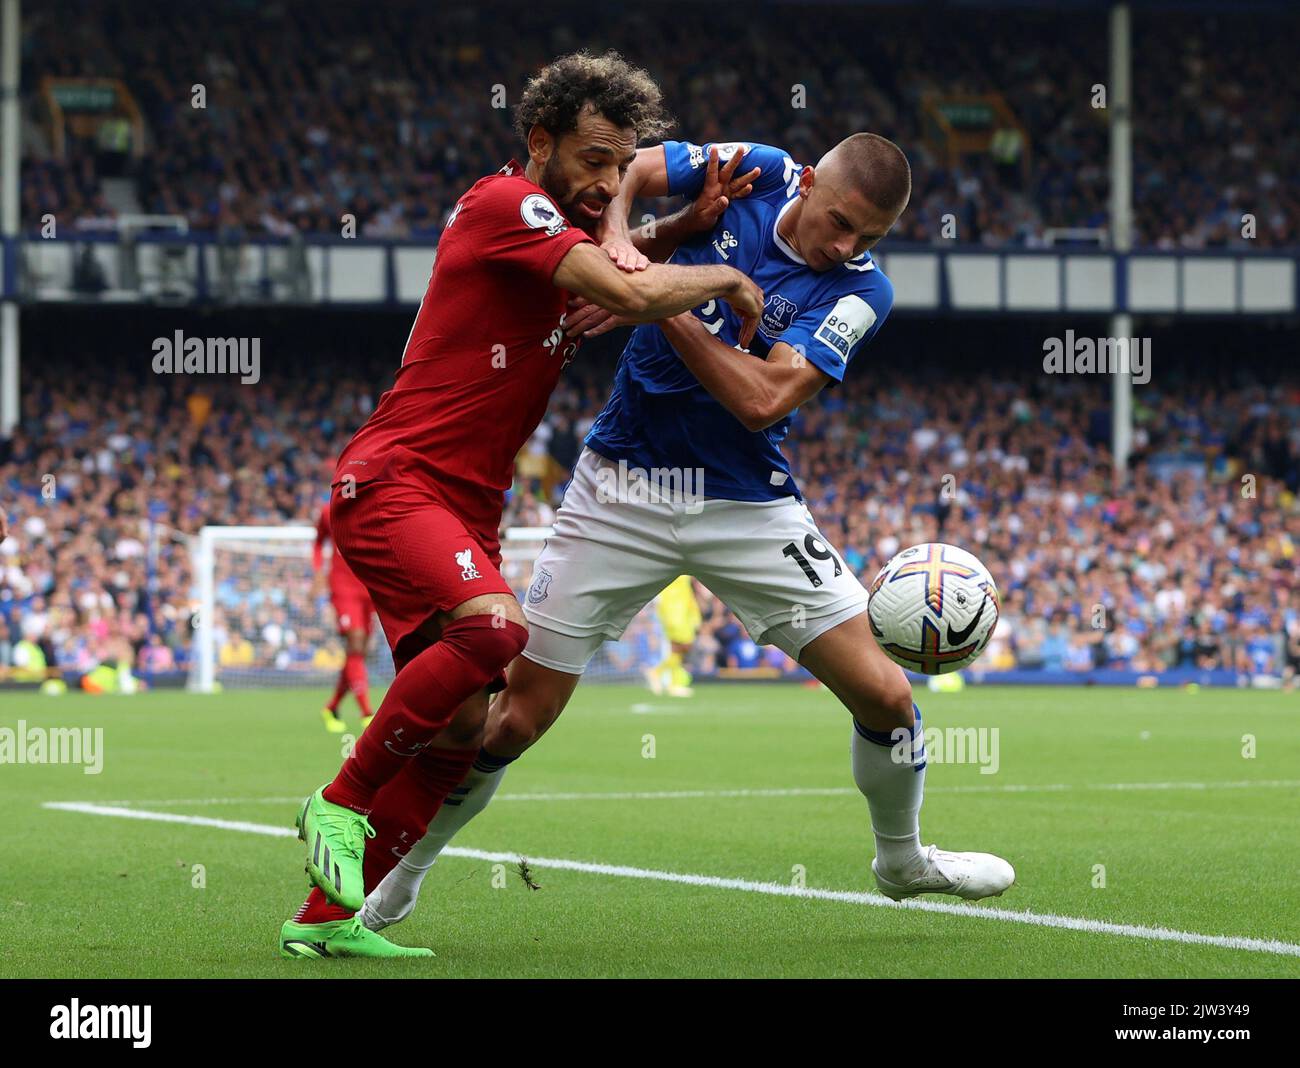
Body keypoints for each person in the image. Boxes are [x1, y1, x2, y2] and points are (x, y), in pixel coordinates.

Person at [360, 131, 1014, 935]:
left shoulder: (862, 294)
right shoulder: (758, 170)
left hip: (746, 504)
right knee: (513, 719)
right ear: (807, 182)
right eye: (840, 222)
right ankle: (406, 873)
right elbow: (631, 165)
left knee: (887, 695)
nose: (845, 246)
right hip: (621, 488)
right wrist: (619, 237)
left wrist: (653, 295)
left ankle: (902, 861)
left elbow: (763, 400)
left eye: (868, 239)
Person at [280, 50, 764, 960]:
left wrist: (680, 227)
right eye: (592, 159)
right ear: (539, 142)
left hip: (463, 507)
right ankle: (338, 801)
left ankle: (325, 922)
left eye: (623, 165)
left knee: (467, 725)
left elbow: (614, 267)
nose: (610, 182)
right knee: (499, 632)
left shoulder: (546, 242)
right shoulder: (507, 203)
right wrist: (728, 277)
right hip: (397, 481)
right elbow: (622, 288)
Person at [313, 500, 375, 733]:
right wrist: (319, 571)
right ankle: (367, 713)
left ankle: (332, 707)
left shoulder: (375, 508)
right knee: (356, 641)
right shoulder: (329, 512)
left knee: (358, 652)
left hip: (368, 586)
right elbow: (318, 542)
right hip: (343, 586)